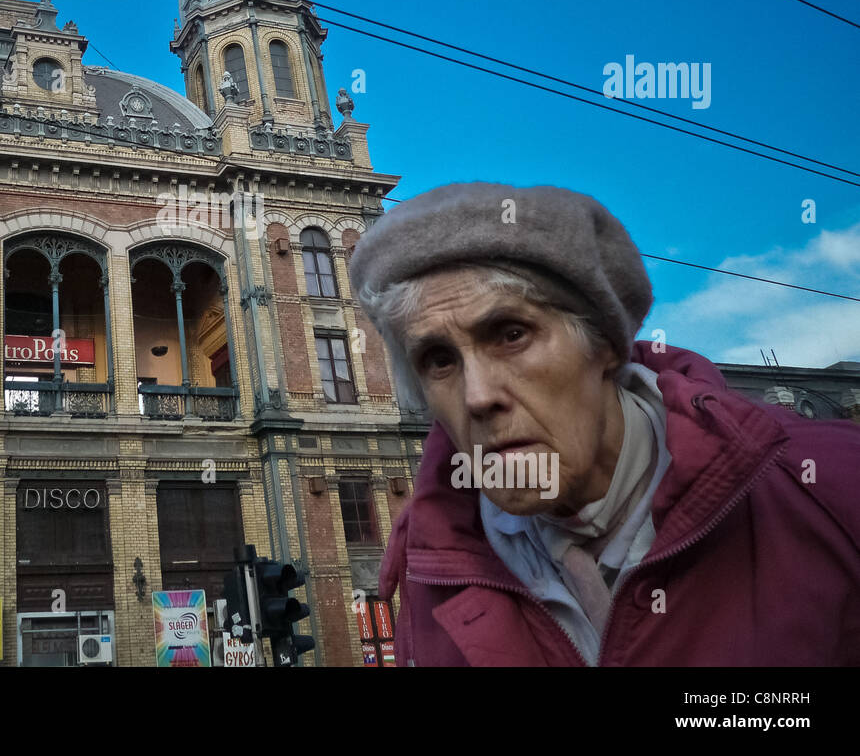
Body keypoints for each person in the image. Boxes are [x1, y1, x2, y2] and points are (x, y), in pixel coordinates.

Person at [349, 181, 860, 665]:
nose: (478, 397)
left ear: (607, 346)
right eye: (439, 360)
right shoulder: (429, 567)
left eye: (511, 334)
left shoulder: (827, 488)